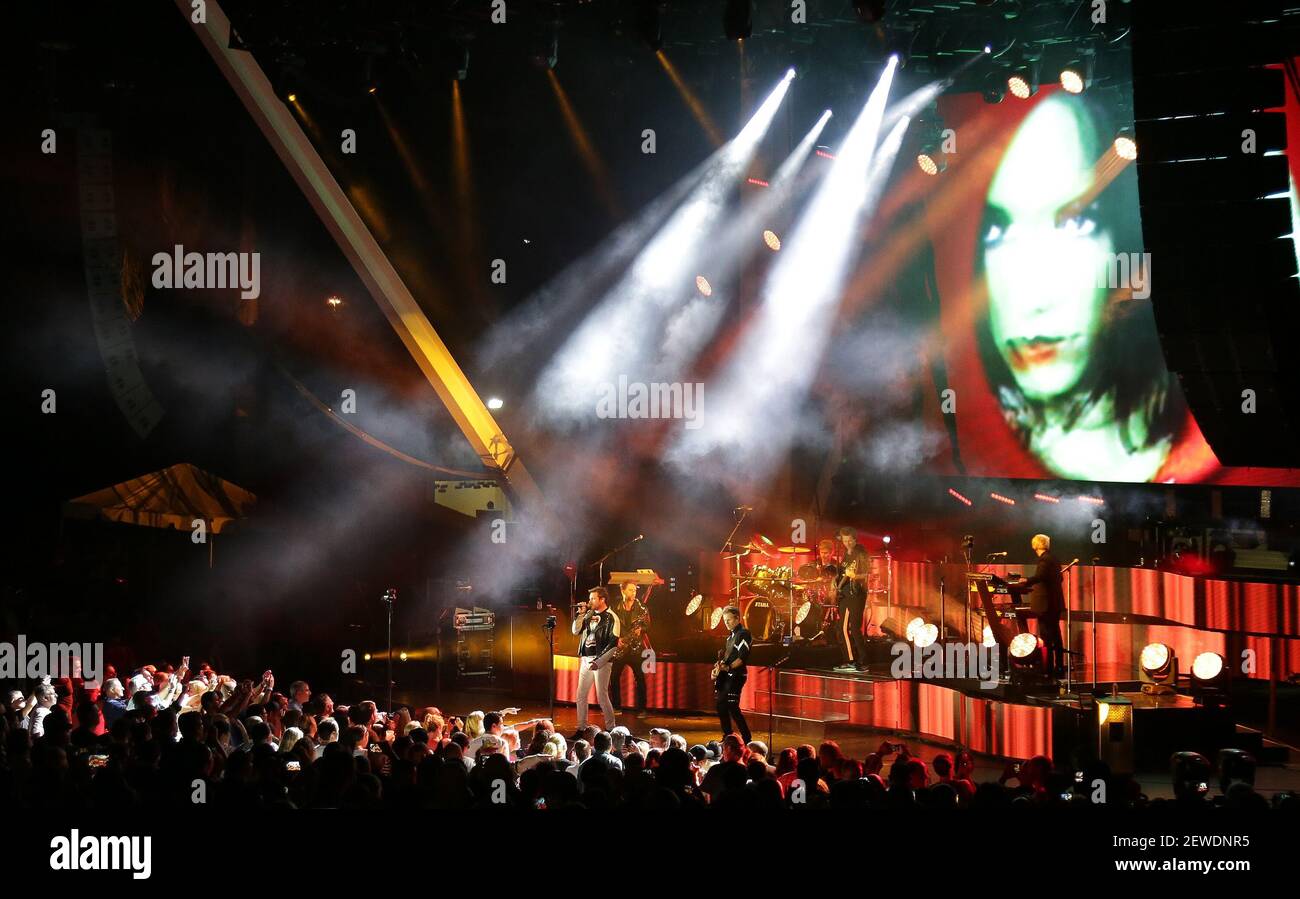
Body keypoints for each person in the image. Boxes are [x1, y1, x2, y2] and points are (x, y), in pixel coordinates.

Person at [1003, 534, 1066, 678]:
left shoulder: (1044, 559)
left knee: (1047, 637)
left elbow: (1040, 576)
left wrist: (1025, 581)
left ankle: (1048, 668)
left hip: (1046, 604)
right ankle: (1059, 666)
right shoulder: (1054, 558)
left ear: (1035, 545)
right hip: (1054, 603)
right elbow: (1059, 578)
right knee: (1056, 635)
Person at [571, 586, 620, 735]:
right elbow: (575, 631)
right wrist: (580, 615)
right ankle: (581, 728)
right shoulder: (588, 614)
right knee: (581, 695)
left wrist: (599, 661)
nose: (589, 601)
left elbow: (613, 644)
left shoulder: (612, 617)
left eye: (593, 598)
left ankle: (611, 728)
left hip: (601, 661)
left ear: (602, 599)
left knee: (602, 696)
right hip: (586, 658)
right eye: (590, 598)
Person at [609, 580, 650, 719]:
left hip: (635, 648)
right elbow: (609, 625)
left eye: (635, 590)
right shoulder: (615, 607)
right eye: (631, 590)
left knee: (640, 679)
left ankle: (642, 709)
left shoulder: (642, 608)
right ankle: (616, 706)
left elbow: (648, 625)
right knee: (614, 678)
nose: (634, 592)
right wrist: (616, 639)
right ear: (623, 591)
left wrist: (641, 629)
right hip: (620, 646)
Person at [831, 527, 870, 672]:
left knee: (853, 628)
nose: (847, 543)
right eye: (844, 540)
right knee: (843, 628)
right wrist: (835, 582)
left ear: (855, 539)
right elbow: (842, 572)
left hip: (856, 594)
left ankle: (859, 661)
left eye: (849, 540)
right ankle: (853, 660)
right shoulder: (845, 554)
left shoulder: (861, 553)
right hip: (845, 594)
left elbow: (865, 574)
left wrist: (855, 576)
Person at [712, 606, 752, 743]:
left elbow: (742, 658)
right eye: (725, 620)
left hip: (737, 676)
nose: (726, 623)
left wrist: (727, 667)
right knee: (721, 705)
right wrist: (718, 668)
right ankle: (728, 736)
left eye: (729, 620)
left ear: (737, 618)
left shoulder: (743, 634)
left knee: (732, 706)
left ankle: (746, 738)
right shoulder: (730, 638)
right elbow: (728, 658)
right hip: (728, 675)